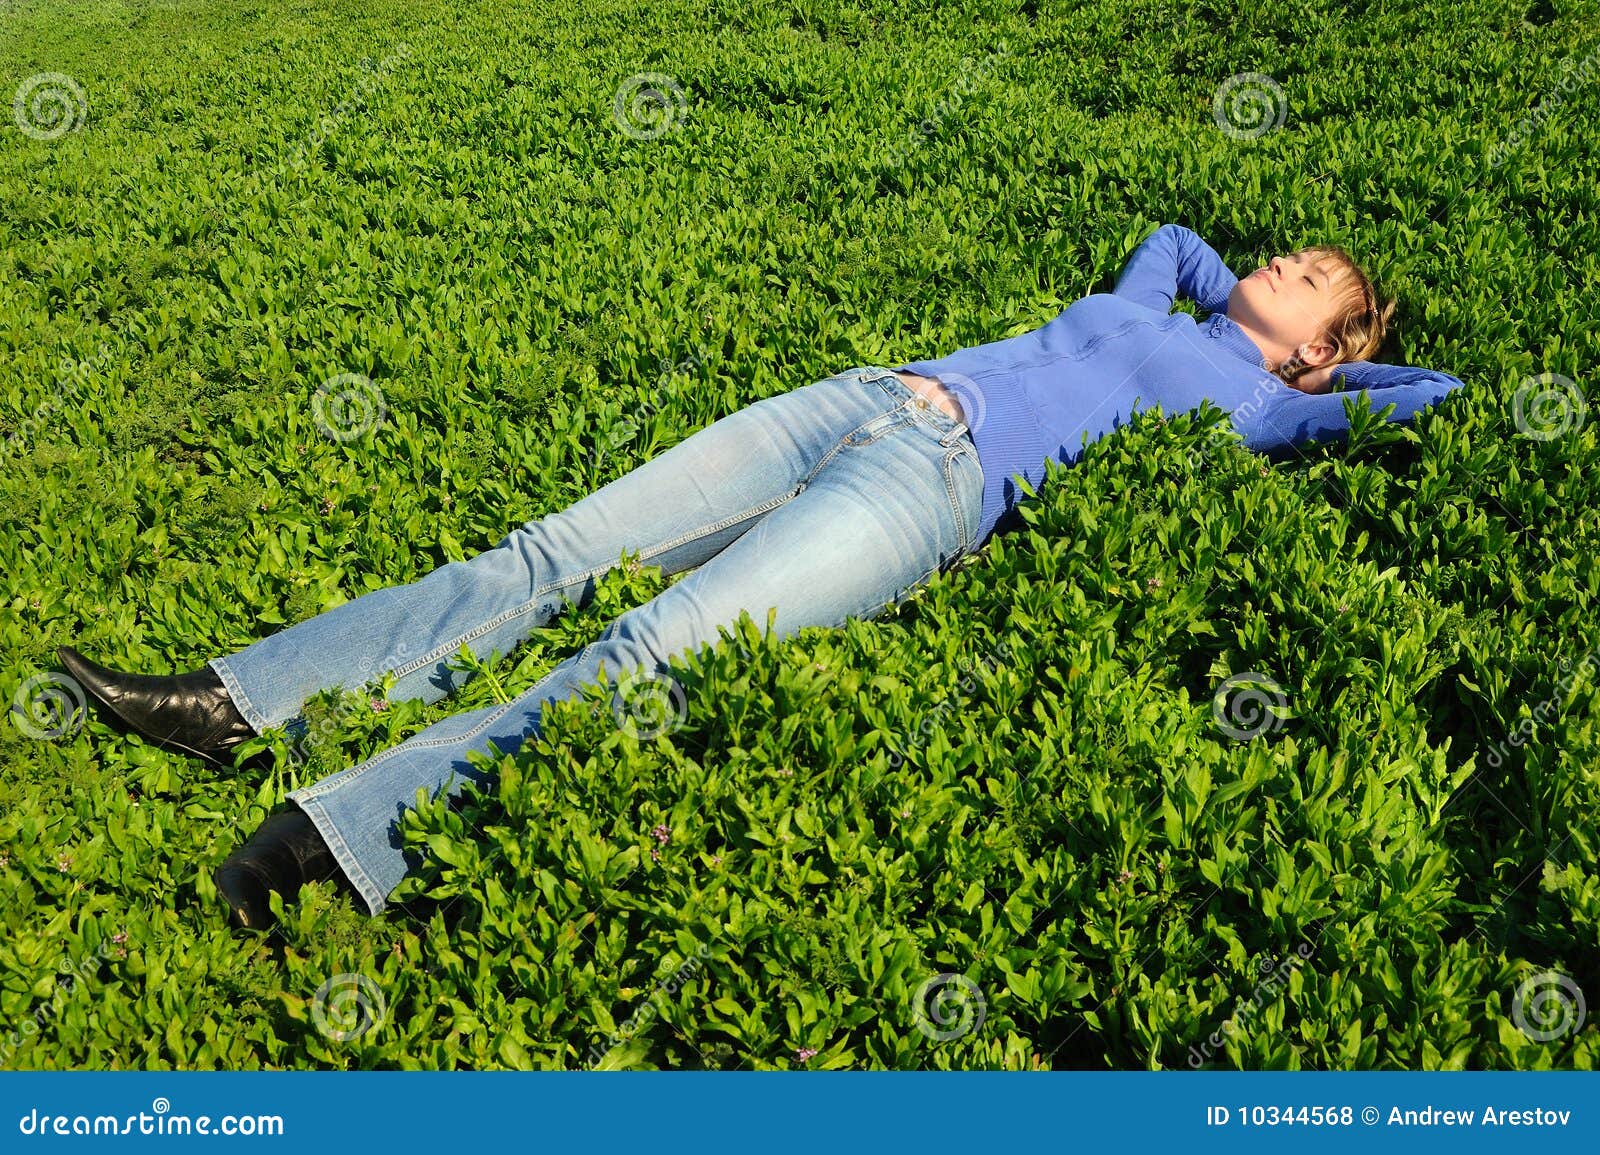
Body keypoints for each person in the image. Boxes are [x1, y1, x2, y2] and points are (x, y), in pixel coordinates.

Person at [56, 222, 1465, 929]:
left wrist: (1327, 363)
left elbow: (1430, 394)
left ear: (1320, 348)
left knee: (646, 655)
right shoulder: (1158, 296)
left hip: (929, 490)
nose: (1277, 261)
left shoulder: (1263, 407)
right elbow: (1172, 239)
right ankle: (239, 699)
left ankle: (332, 837)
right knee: (550, 553)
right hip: (861, 396)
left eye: (1309, 276)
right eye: (1289, 253)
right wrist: (1252, 297)